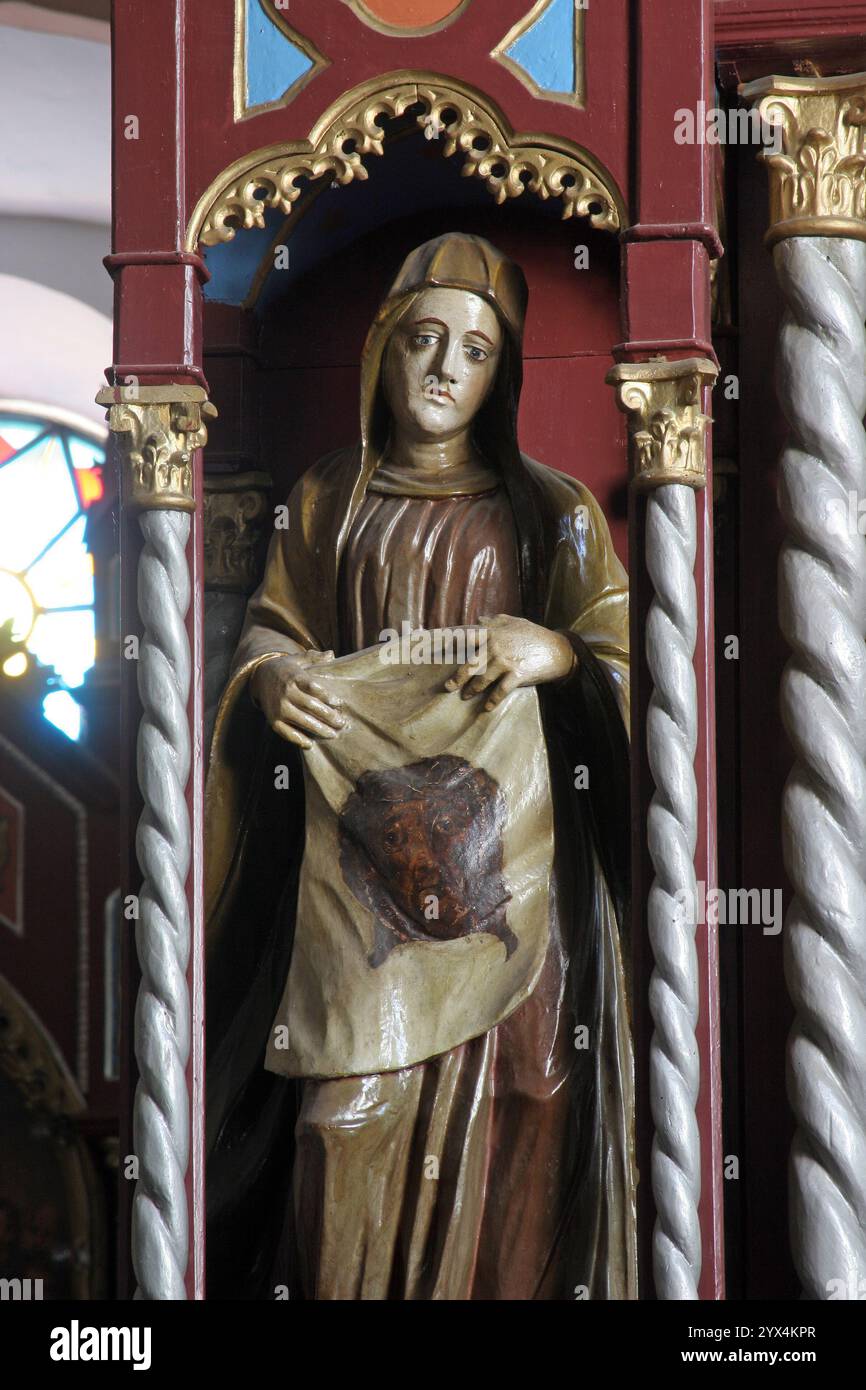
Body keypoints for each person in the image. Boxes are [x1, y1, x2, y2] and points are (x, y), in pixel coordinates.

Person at [205, 232, 637, 1299]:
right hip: (360, 867)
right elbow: (269, 630)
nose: (446, 367)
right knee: (335, 1119)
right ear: (382, 352)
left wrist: (561, 651)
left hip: (513, 861)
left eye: (475, 350)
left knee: (536, 1091)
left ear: (503, 374)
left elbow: (630, 658)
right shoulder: (327, 501)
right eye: (424, 340)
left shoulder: (549, 510)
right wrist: (268, 680)